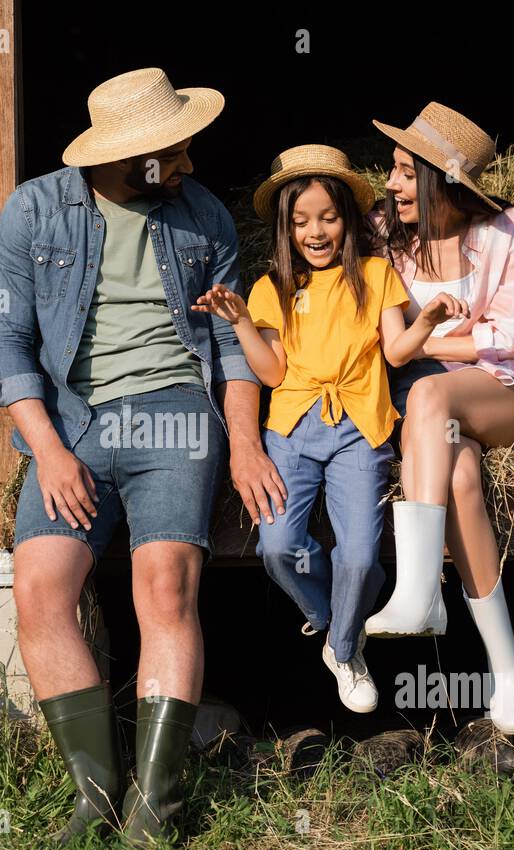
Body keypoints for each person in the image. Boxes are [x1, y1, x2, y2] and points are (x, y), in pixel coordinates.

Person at [0, 68, 283, 845]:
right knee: (39, 589)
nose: (186, 166)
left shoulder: (204, 216)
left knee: (165, 589)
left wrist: (244, 442)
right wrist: (48, 450)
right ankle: (98, 796)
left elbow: (231, 344)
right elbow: (8, 345)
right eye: (174, 155)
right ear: (132, 156)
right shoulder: (34, 211)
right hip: (72, 421)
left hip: (175, 415)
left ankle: (157, 809)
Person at [362, 103, 514, 736]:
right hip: (433, 417)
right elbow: (375, 328)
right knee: (462, 482)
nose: (391, 185)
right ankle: (509, 671)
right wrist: (457, 335)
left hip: (501, 395)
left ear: (440, 178)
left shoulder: (504, 232)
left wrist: (422, 344)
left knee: (428, 397)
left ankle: (419, 590)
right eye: (392, 171)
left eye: (402, 171)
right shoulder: (386, 238)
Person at [194, 146, 403, 714]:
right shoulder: (272, 289)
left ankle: (342, 649)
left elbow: (400, 348)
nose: (316, 230)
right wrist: (240, 323)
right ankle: (334, 622)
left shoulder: (377, 276)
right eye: (302, 220)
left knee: (360, 556)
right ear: (286, 227)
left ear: (348, 222)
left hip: (359, 426)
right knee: (279, 546)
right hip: (290, 427)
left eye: (328, 217)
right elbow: (272, 371)